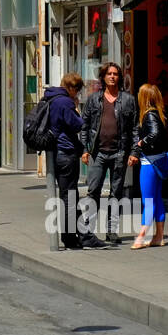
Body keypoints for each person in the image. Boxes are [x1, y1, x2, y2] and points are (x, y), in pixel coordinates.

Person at [44, 72, 107, 250]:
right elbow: (77, 124)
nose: (78, 94)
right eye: (77, 90)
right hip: (65, 153)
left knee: (68, 196)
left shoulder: (50, 98)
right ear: (71, 88)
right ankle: (77, 236)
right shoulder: (64, 102)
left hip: (56, 153)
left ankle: (75, 236)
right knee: (70, 197)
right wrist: (76, 109)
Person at [79, 62, 138, 245]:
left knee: (116, 193)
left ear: (119, 77)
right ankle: (88, 230)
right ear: (103, 77)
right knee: (93, 191)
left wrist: (134, 151)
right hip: (98, 153)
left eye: (115, 74)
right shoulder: (94, 99)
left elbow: (135, 128)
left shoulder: (128, 100)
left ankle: (111, 231)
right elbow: (84, 125)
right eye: (109, 74)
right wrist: (84, 149)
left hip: (119, 152)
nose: (112, 76)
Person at [127, 83, 168, 248]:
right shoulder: (158, 114)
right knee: (157, 198)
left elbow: (154, 134)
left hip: (150, 162)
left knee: (148, 200)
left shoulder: (149, 115)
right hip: (158, 160)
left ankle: (141, 236)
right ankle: (159, 236)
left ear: (144, 97)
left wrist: (141, 142)